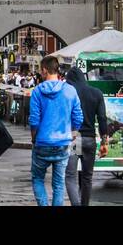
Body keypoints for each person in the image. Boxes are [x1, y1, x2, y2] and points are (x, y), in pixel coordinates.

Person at [26, 55, 82, 207]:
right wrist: (73, 133)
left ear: (44, 70)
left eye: (40, 70)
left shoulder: (37, 92)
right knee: (58, 184)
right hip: (63, 143)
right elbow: (78, 117)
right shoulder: (70, 91)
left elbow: (34, 120)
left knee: (37, 179)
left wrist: (34, 138)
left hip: (42, 142)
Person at [63, 64, 109, 206]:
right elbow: (102, 118)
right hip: (90, 139)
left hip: (75, 138)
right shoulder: (96, 93)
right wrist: (104, 142)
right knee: (87, 178)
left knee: (70, 176)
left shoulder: (68, 93)